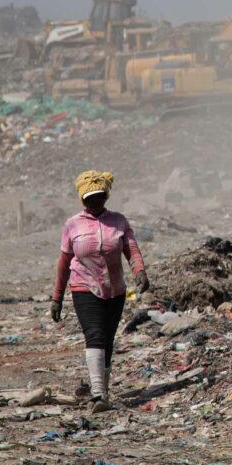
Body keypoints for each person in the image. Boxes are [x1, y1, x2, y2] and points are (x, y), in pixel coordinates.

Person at [50, 170, 148, 408]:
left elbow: (131, 249)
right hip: (84, 286)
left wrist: (140, 271)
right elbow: (63, 262)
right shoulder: (72, 225)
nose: (94, 202)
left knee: (107, 340)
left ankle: (103, 391)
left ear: (105, 196)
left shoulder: (118, 221)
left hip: (115, 290)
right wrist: (57, 297)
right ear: (82, 200)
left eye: (98, 196)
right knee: (94, 335)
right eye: (89, 198)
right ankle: (98, 394)